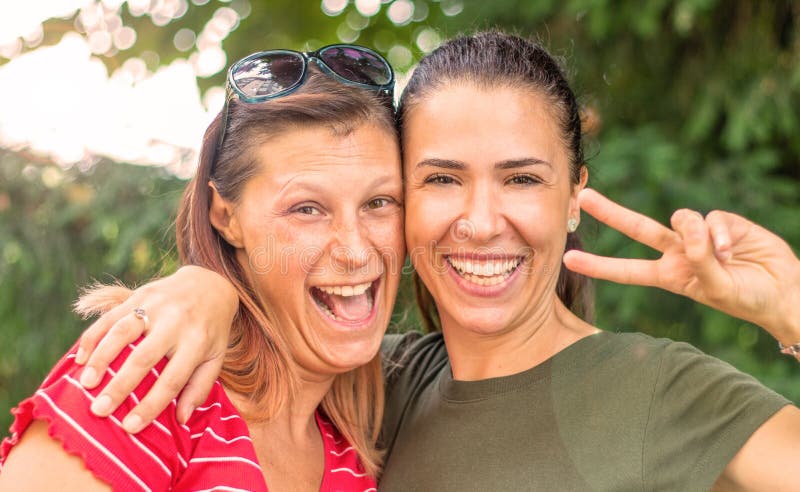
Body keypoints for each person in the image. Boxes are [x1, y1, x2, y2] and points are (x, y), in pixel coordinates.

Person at [20, 31, 800, 490]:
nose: (481, 222)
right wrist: (205, 284)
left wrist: (792, 311)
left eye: (522, 179)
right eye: (440, 180)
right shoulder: (369, 389)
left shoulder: (658, 388)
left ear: (574, 198)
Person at [0, 44, 406, 491]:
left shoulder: (357, 456)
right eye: (307, 209)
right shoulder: (146, 378)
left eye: (379, 202)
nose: (355, 250)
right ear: (225, 217)